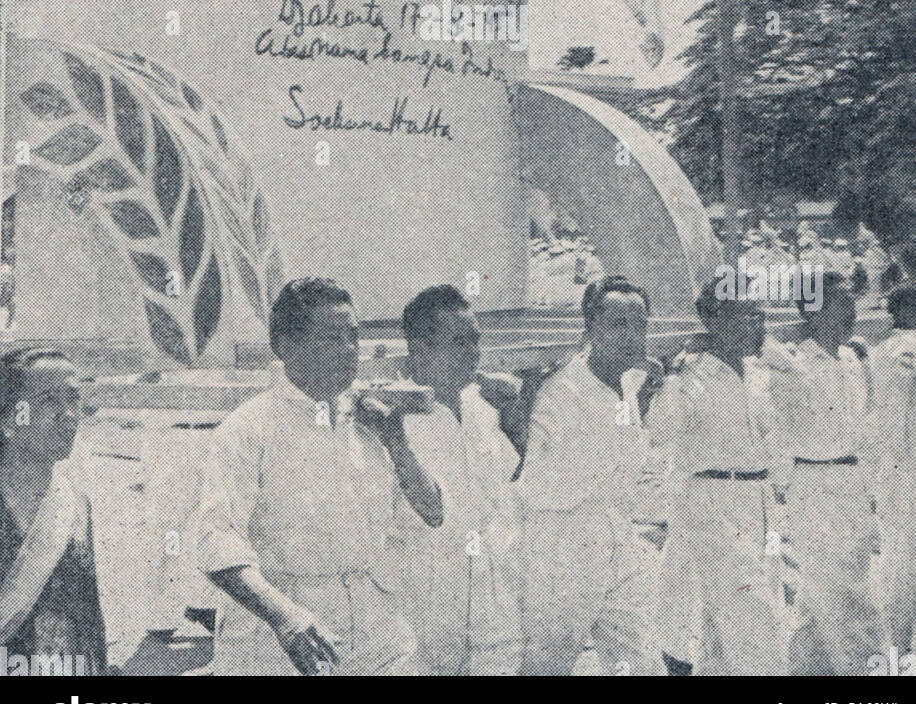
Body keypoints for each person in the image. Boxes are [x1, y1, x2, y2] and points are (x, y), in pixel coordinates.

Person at [195, 278, 442, 675]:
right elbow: (213, 539)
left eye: (353, 337)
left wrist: (396, 440)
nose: (349, 352)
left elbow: (432, 511)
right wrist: (285, 617)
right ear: (286, 347)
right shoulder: (248, 429)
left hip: (375, 629)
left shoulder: (372, 420)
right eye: (332, 339)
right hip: (282, 638)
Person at [518, 276, 666, 675]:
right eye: (619, 326)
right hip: (561, 547)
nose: (632, 337)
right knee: (545, 665)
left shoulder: (630, 387)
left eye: (640, 326)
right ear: (590, 329)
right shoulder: (557, 391)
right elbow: (527, 481)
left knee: (642, 663)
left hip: (619, 538)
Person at [648, 286, 785, 676]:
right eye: (747, 316)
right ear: (714, 322)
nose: (759, 326)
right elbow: (659, 432)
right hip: (711, 500)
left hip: (760, 501)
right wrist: (671, 374)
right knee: (754, 620)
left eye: (762, 316)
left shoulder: (758, 372)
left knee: (721, 634)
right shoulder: (690, 375)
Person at [398, 285, 522, 675]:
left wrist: (514, 414)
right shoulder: (391, 417)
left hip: (491, 601)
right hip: (423, 607)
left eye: (475, 341)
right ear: (420, 350)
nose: (472, 354)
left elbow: (510, 482)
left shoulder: (482, 406)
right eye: (458, 343)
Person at [769, 273, 881, 674]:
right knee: (847, 597)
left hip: (852, 482)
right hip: (815, 485)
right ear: (812, 312)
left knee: (821, 601)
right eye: (840, 305)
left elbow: (863, 427)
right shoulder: (792, 363)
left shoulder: (852, 360)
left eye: (851, 304)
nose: (852, 313)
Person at [0, 347, 107, 674]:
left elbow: (90, 615)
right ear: (7, 420)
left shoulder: (73, 502)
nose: (68, 414)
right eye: (48, 400)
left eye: (73, 398)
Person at [869, 283, 916, 655]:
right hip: (911, 478)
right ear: (909, 312)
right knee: (906, 578)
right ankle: (891, 653)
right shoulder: (896, 350)